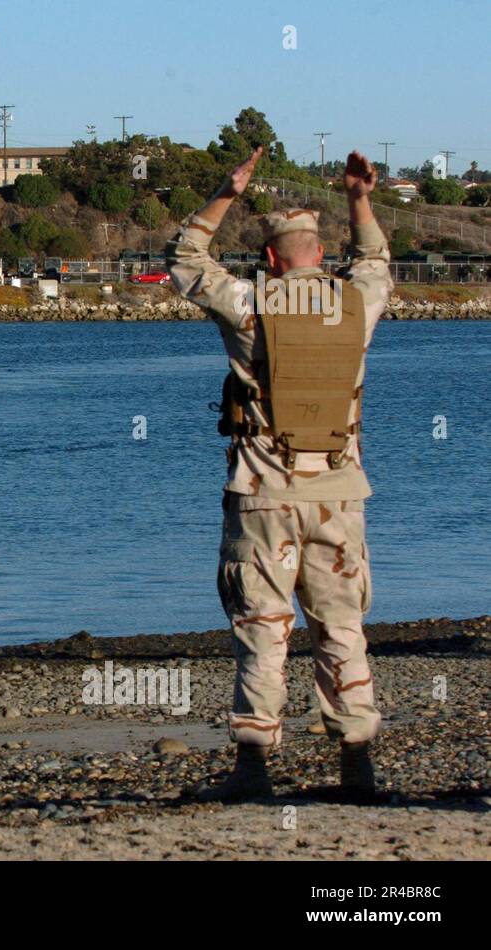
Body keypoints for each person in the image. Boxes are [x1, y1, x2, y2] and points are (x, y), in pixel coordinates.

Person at [166, 147, 392, 802]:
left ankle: (254, 769)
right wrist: (359, 198)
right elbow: (376, 261)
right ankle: (357, 766)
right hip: (342, 497)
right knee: (342, 627)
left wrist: (224, 193)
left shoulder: (250, 306)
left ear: (269, 258)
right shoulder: (358, 304)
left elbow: (185, 262)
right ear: (320, 254)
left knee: (263, 629)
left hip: (264, 496)